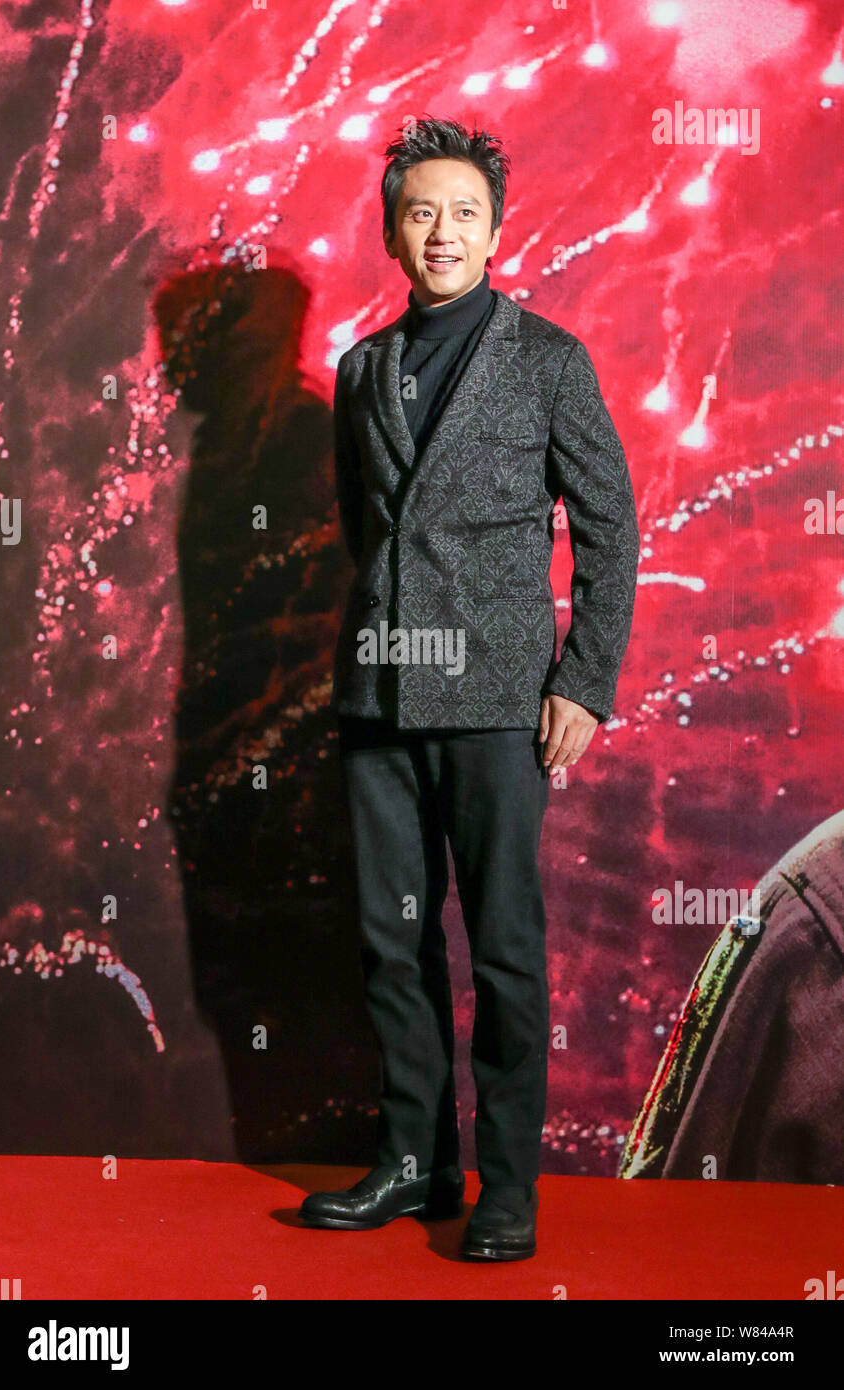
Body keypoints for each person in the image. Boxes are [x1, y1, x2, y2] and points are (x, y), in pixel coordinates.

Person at [299, 117, 640, 1260]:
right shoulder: (358, 369)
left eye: (461, 213)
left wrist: (581, 682)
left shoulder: (548, 359)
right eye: (418, 212)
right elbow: (365, 530)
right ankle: (413, 1160)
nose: (439, 231)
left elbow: (609, 529)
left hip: (498, 699)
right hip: (377, 700)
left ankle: (507, 1185)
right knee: (388, 944)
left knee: (501, 947)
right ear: (392, 230)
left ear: (496, 228)